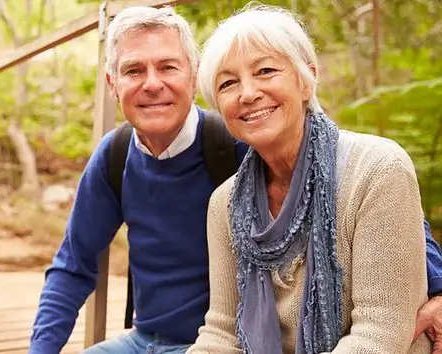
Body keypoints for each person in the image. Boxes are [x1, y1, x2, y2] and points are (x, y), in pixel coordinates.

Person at [28, 5, 442, 354]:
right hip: (155, 338)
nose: (152, 83)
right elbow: (73, 265)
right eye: (134, 70)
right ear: (113, 84)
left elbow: (378, 205)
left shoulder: (240, 140)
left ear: (191, 77)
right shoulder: (124, 160)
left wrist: (437, 287)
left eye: (167, 67)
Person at [187, 4, 432, 353]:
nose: (248, 93)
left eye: (266, 71)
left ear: (307, 79)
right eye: (228, 83)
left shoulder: (378, 170)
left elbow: (380, 334)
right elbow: (223, 332)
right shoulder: (225, 204)